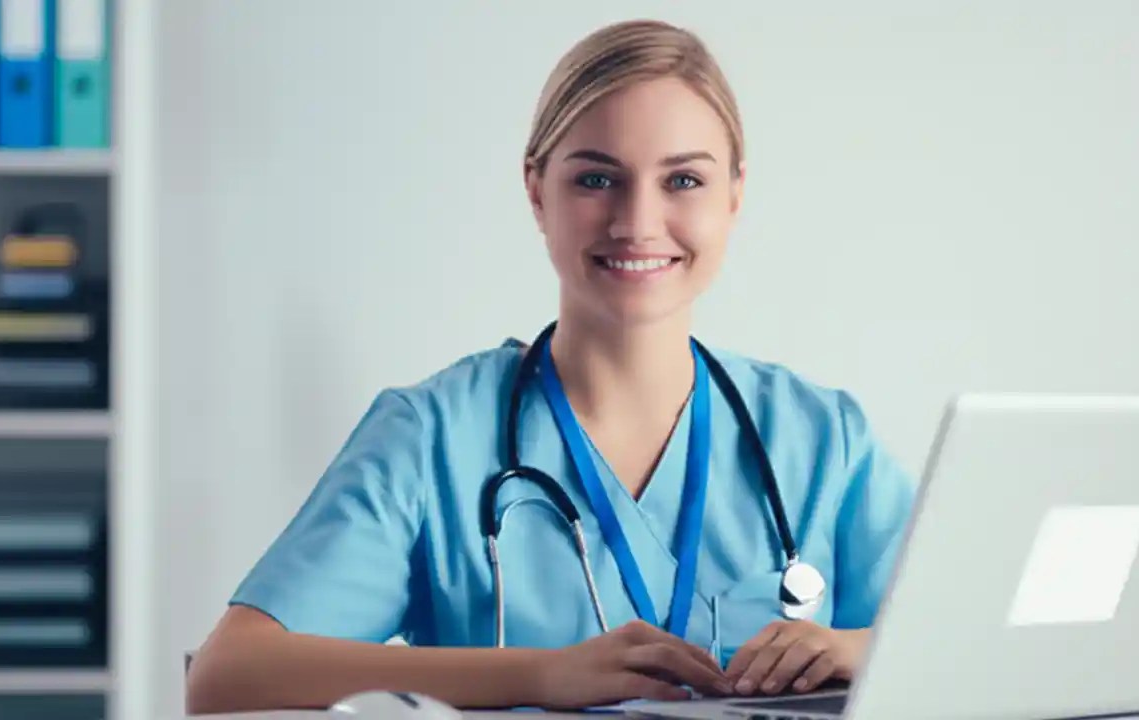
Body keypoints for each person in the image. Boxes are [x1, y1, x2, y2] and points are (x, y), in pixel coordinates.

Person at [184, 18, 917, 715]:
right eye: (597, 180)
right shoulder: (434, 436)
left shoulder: (822, 439)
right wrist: (540, 673)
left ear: (735, 194)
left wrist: (860, 647)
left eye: (683, 181)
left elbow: (984, 641)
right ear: (537, 191)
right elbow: (229, 673)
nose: (637, 221)